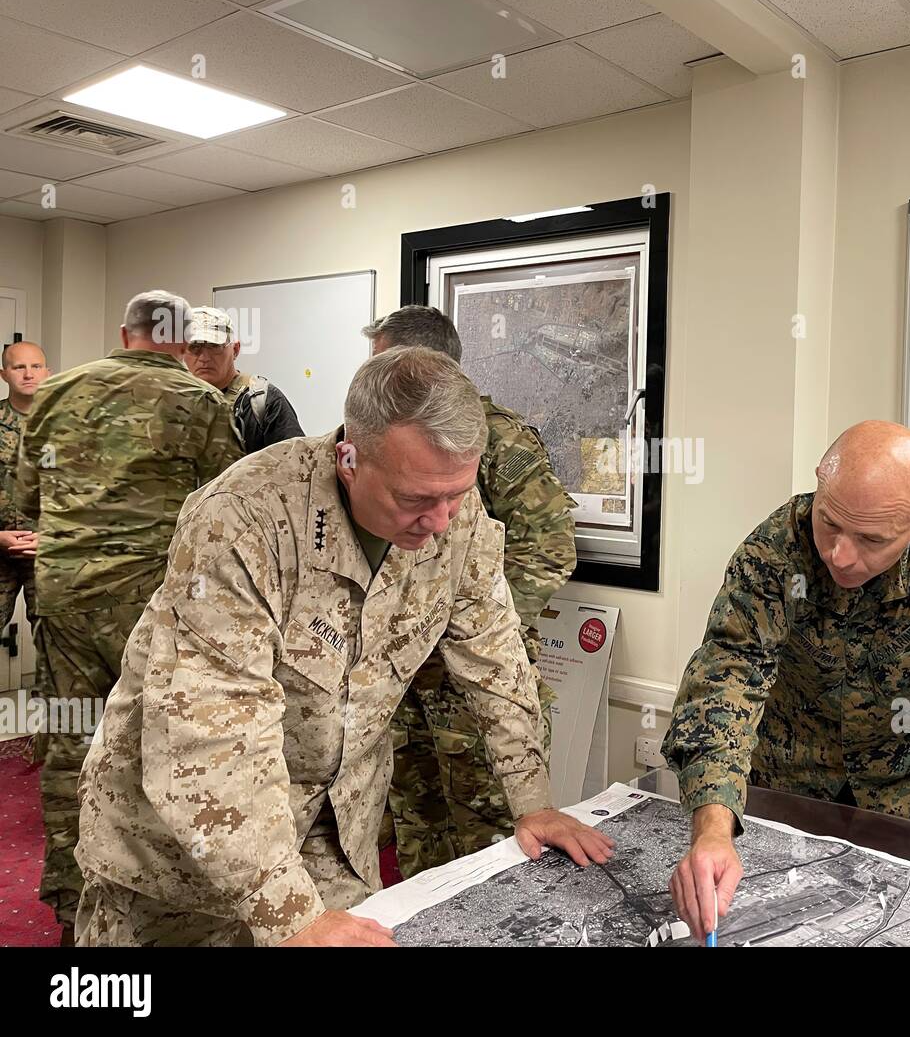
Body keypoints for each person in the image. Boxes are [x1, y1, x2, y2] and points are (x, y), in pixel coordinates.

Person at [74, 347, 612, 946]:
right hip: (185, 856)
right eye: (414, 501)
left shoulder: (452, 512)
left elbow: (496, 658)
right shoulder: (243, 519)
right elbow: (210, 735)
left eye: (455, 495)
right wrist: (289, 915)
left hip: (329, 835)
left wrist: (532, 800)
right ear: (350, 459)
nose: (440, 520)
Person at [662, 420, 910, 941]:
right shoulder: (775, 548)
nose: (840, 555)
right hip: (787, 782)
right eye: (830, 524)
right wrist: (713, 827)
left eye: (871, 539)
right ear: (820, 484)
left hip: (897, 788)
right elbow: (727, 676)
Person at [16, 290, 243, 938]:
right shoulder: (201, 402)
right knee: (156, 749)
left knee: (70, 740)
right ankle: (145, 907)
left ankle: (67, 901)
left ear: (124, 331)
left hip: (61, 594)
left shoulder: (56, 393)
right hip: (144, 603)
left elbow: (30, 493)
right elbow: (220, 503)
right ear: (180, 339)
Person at [365, 306, 577, 875]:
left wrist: (462, 616)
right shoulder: (380, 449)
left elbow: (549, 551)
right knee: (416, 836)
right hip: (405, 683)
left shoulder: (499, 440)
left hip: (478, 686)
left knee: (495, 845)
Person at [0, 341, 50, 758]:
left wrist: (49, 535)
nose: (28, 374)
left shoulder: (65, 424)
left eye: (36, 366)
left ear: (47, 372)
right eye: (19, 367)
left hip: (46, 552)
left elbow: (82, 491)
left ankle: (47, 739)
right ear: (5, 375)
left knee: (52, 645)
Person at [184, 305, 304, 452]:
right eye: (194, 347)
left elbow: (297, 464)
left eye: (214, 346)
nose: (204, 358)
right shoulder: (174, 399)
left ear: (235, 350)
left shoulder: (263, 401)